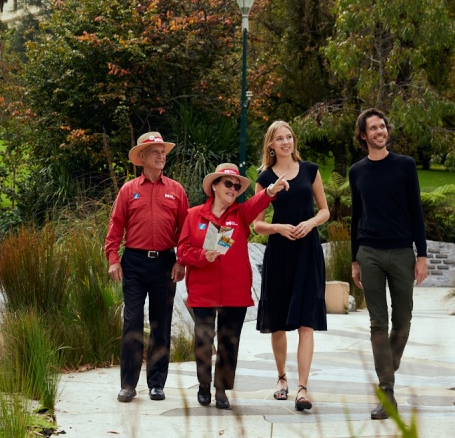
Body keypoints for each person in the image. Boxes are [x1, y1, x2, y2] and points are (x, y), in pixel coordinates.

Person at [177, 163, 289, 410]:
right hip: (203, 290)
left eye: (237, 185)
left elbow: (258, 203)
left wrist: (271, 190)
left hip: (235, 290)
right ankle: (204, 385)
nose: (233, 188)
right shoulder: (194, 215)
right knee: (203, 341)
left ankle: (221, 389)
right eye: (228, 183)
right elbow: (183, 251)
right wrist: (201, 256)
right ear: (214, 186)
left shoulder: (240, 214)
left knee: (230, 342)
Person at [349, 108, 428, 420]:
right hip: (369, 253)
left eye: (382, 127)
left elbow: (416, 212)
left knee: (404, 321)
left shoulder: (405, 166)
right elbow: (356, 217)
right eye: (373, 128)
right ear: (364, 135)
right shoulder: (357, 172)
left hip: (401, 253)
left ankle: (385, 369)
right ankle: (387, 392)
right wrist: (355, 259)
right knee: (377, 324)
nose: (380, 132)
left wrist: (421, 255)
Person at [105, 132, 189, 403]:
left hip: (166, 263)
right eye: (155, 151)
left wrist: (181, 260)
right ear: (142, 158)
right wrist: (113, 259)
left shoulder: (176, 190)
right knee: (131, 322)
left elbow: (185, 231)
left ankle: (156, 384)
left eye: (163, 151)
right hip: (134, 263)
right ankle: (128, 384)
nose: (161, 155)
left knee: (161, 324)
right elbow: (115, 227)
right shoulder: (128, 190)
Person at [253, 121, 330, 412]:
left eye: (289, 137)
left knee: (305, 321)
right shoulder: (266, 178)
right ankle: (282, 378)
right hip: (280, 253)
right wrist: (279, 228)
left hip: (307, 252)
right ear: (270, 145)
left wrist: (310, 223)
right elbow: (256, 224)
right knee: (278, 322)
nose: (286, 142)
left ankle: (303, 388)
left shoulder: (310, 170)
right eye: (279, 139)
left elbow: (324, 210)